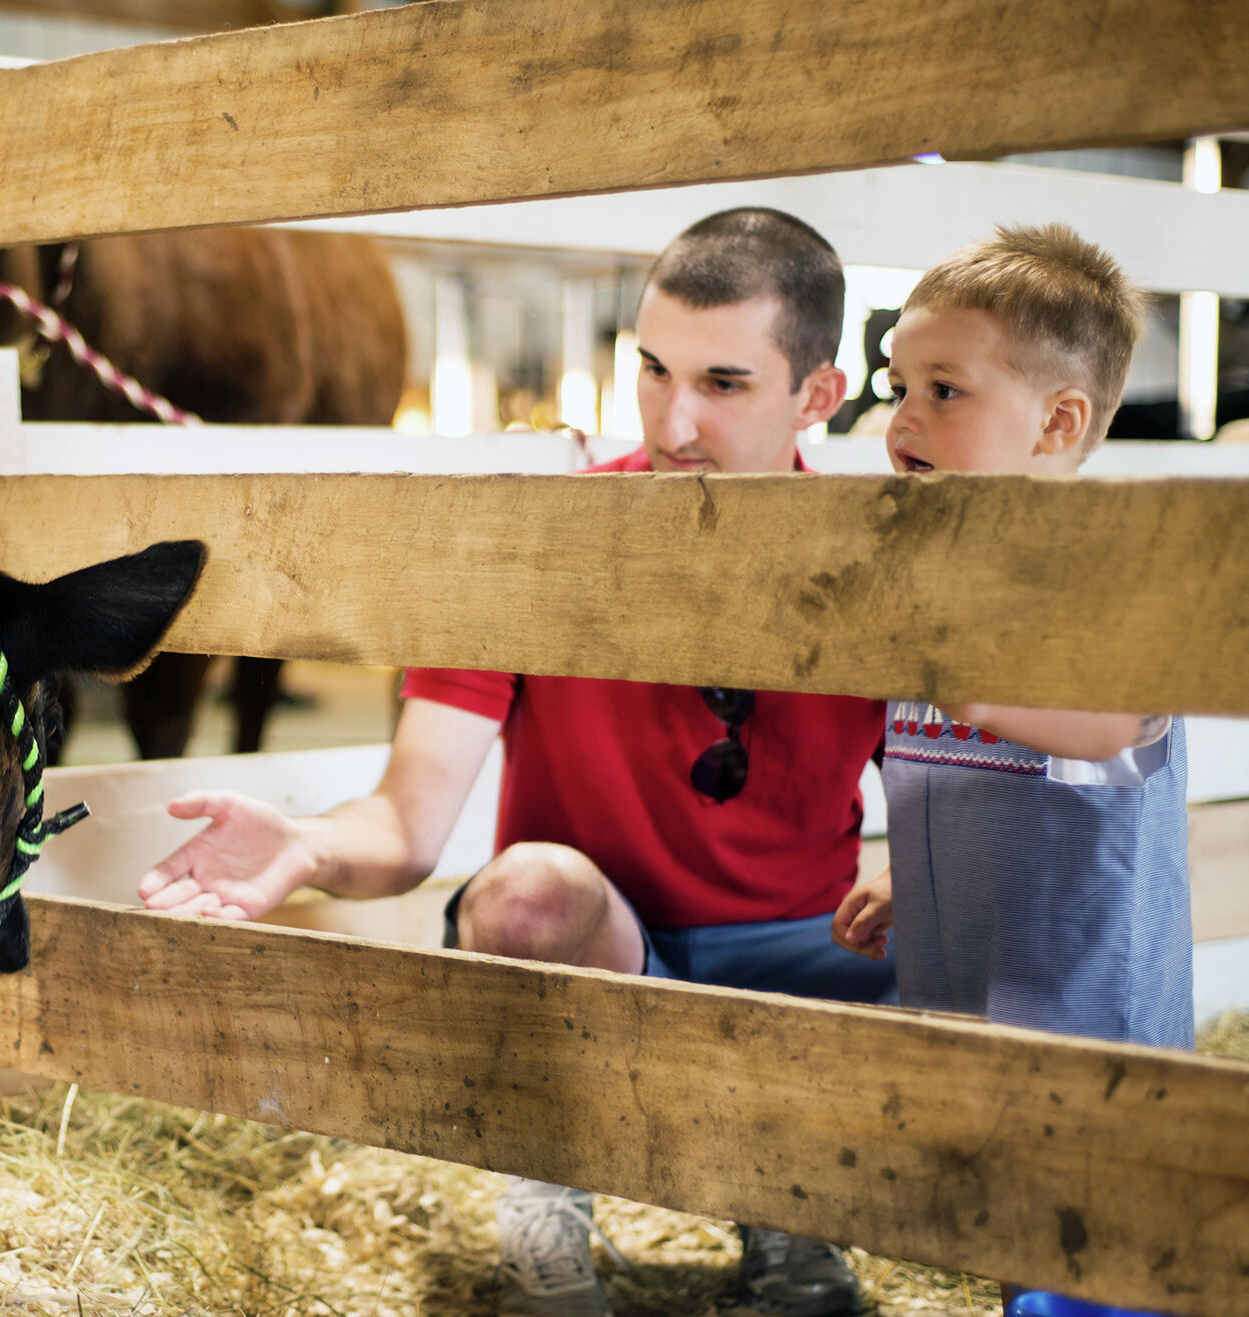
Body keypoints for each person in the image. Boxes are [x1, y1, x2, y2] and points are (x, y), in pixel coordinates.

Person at [140, 209, 886, 1317]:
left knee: (977, 914)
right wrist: (301, 845)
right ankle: (544, 1206)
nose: (674, 421)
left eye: (723, 384)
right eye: (650, 371)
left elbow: (963, 795)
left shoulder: (881, 561)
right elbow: (405, 827)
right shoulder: (526, 544)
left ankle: (796, 1209)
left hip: (803, 972)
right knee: (526, 891)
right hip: (597, 949)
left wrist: (920, 870)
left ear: (814, 397)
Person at [831, 228, 1189, 1314]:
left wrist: (984, 690)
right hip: (978, 964)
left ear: (1057, 422)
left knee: (1090, 1227)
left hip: (1086, 994)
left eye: (943, 391)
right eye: (898, 387)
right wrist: (912, 871)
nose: (899, 423)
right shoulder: (936, 570)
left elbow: (1114, 718)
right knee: (1008, 1204)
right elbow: (943, 761)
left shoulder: (1103, 574)